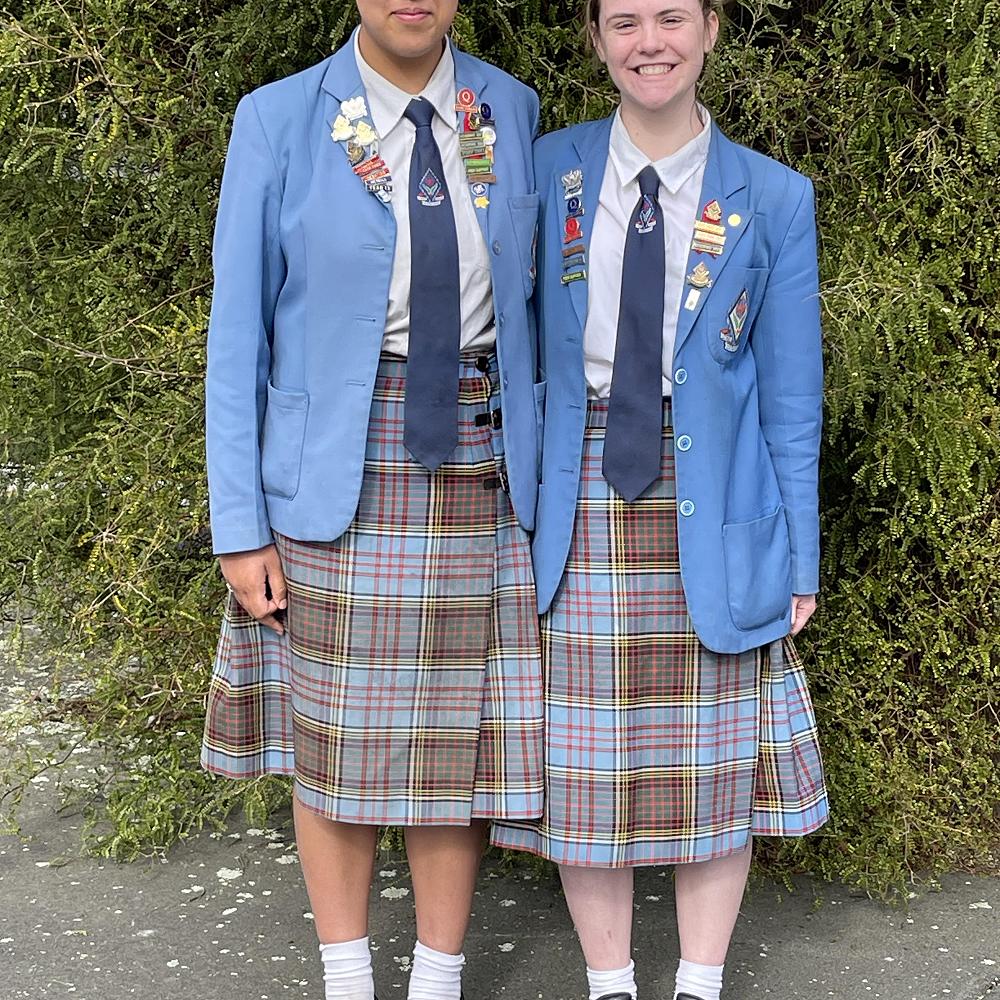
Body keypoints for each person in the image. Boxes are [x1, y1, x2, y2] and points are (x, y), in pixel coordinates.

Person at [200, 3, 546, 998]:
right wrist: (240, 523)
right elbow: (238, 338)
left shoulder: (507, 109)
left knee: (457, 748)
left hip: (480, 456)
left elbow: (531, 309)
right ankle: (348, 981)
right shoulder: (278, 117)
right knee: (335, 743)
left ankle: (436, 980)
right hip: (334, 472)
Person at [491, 2, 829, 999]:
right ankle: (609, 985)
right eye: (625, 20)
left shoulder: (773, 198)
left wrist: (798, 555)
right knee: (586, 767)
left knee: (710, 766)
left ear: (711, 29)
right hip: (579, 499)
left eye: (671, 16)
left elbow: (793, 395)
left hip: (713, 501)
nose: (651, 41)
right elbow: (509, 341)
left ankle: (697, 984)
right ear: (596, 40)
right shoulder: (546, 171)